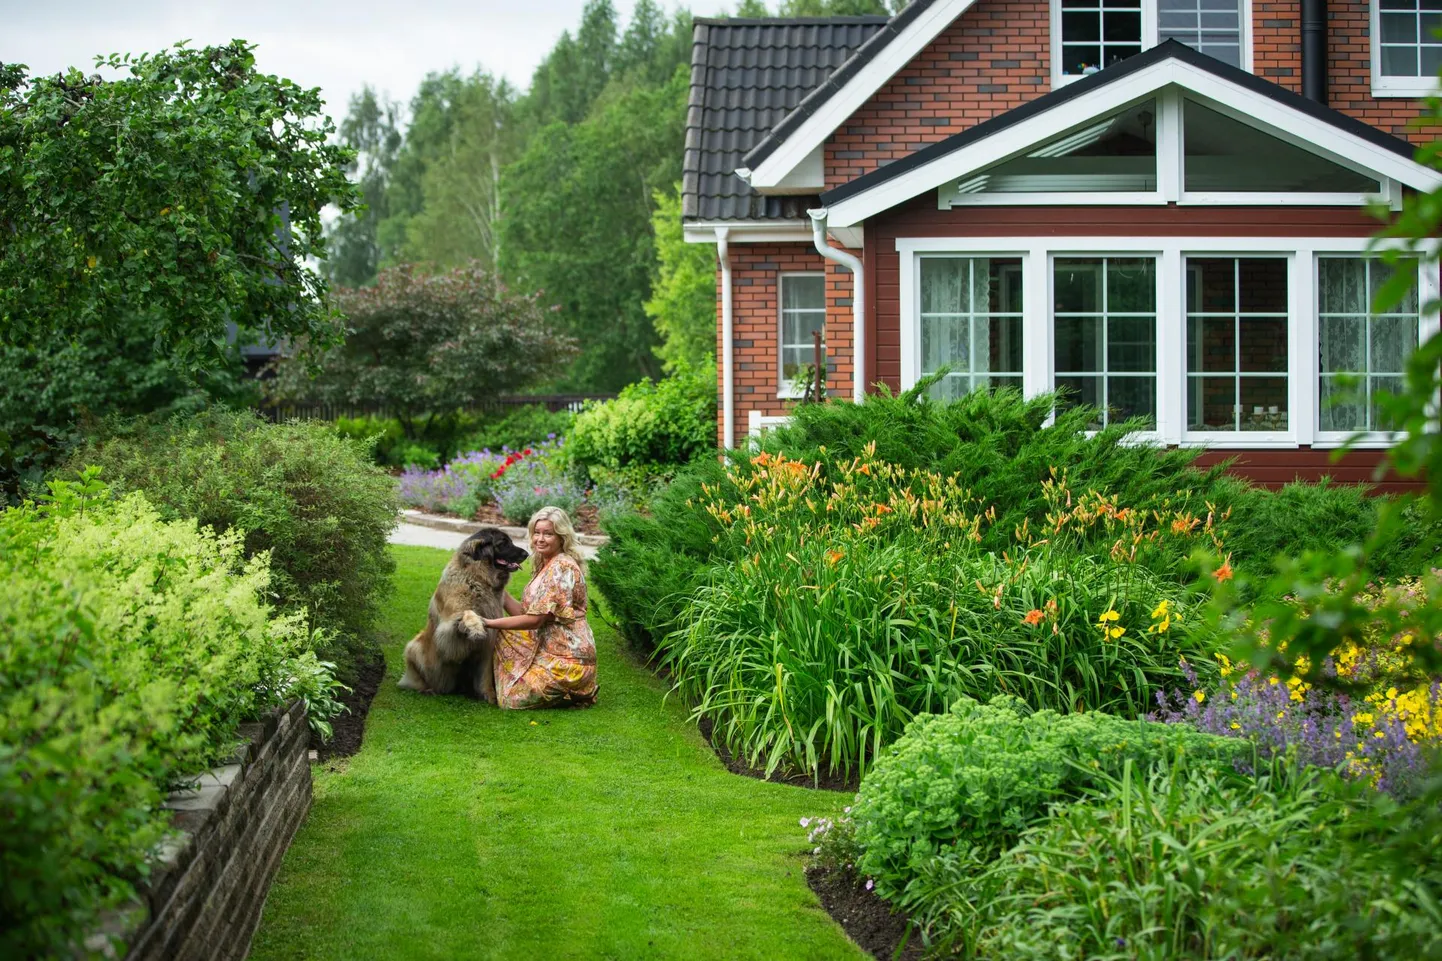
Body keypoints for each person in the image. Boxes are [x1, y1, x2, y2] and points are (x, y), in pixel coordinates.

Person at [481, 506, 598, 709]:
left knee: (512, 699)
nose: (540, 539)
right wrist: (499, 590)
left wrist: (486, 623)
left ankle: (573, 692)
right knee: (501, 637)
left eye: (548, 534)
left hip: (569, 660)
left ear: (562, 537)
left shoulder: (561, 567)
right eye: (537, 532)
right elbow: (525, 614)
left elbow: (534, 621)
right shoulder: (546, 563)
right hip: (547, 646)